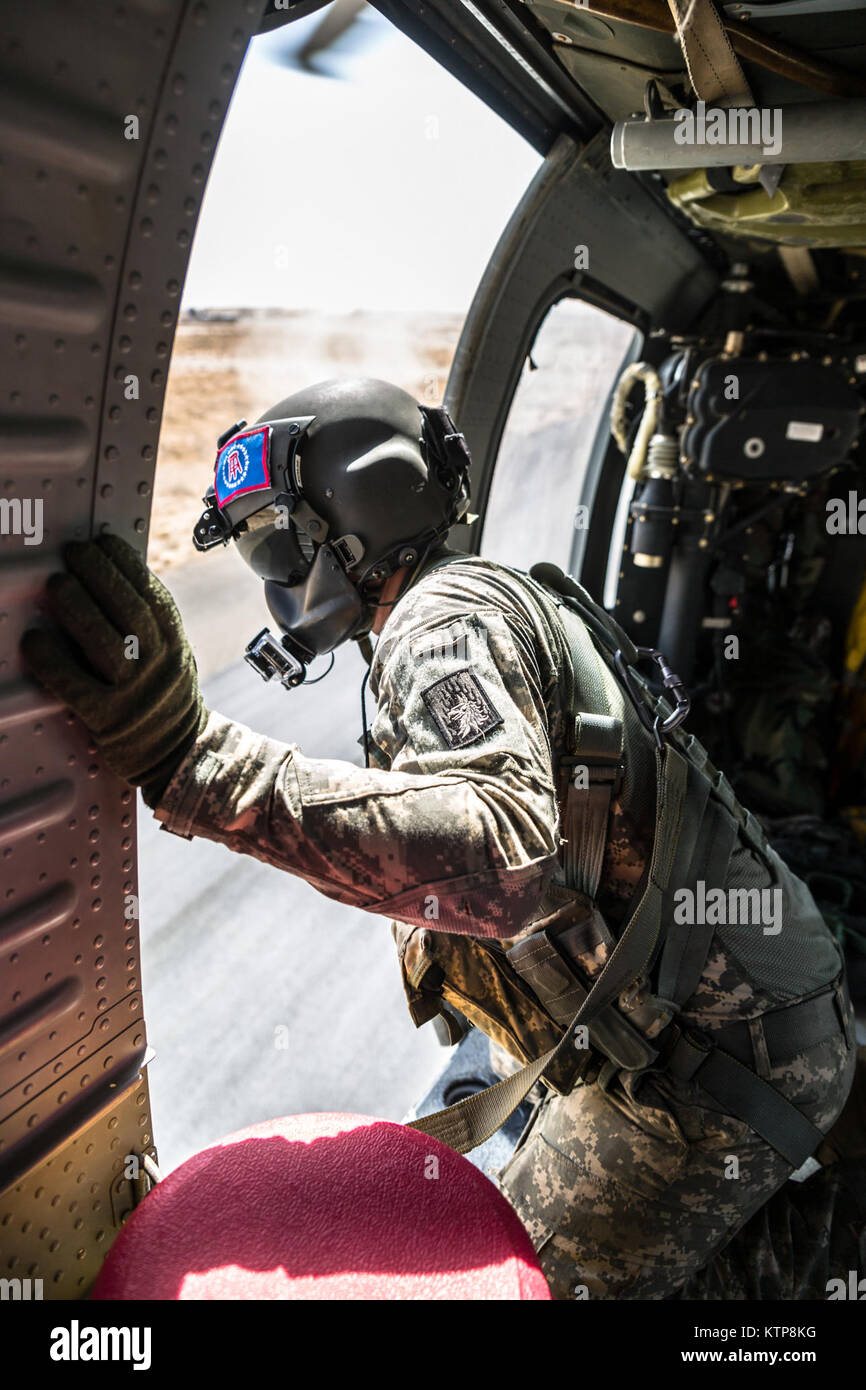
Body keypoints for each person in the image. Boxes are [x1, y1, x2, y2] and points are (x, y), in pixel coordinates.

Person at [21, 376, 856, 1300]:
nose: (272, 578)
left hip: (712, 1068)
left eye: (273, 542)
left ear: (351, 524)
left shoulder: (438, 625)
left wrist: (194, 760)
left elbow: (508, 859)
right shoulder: (476, 601)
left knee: (506, 1284)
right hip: (704, 1021)